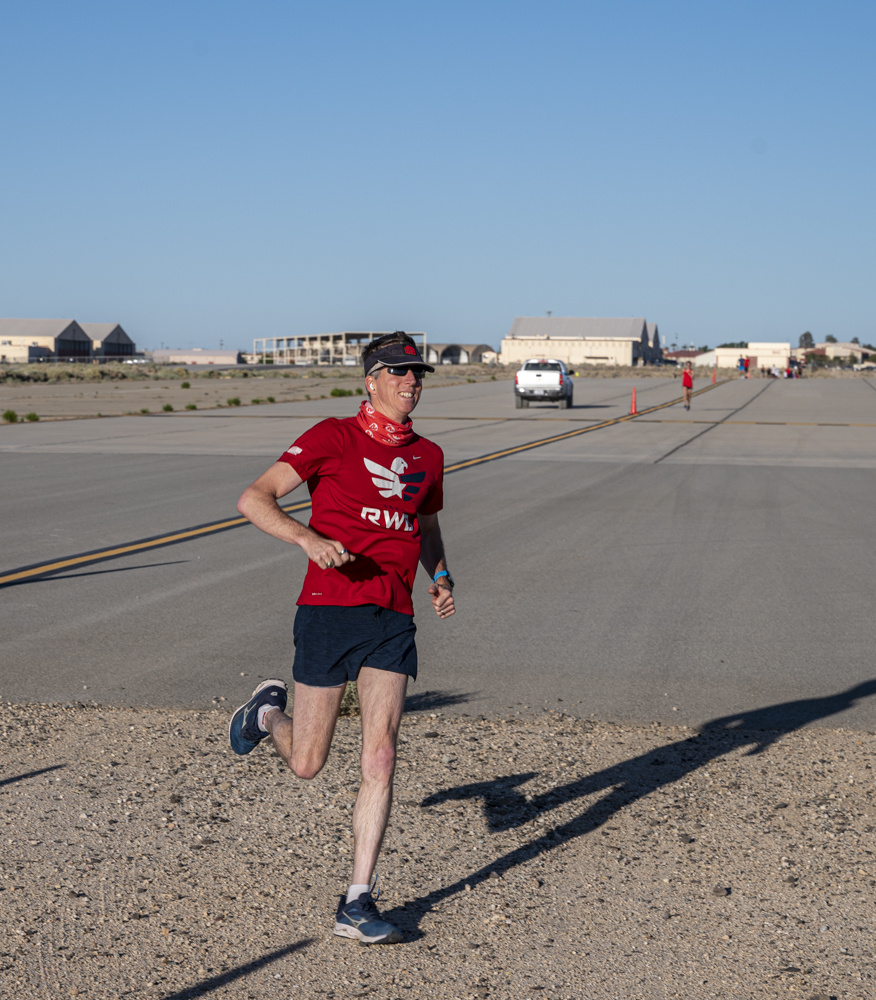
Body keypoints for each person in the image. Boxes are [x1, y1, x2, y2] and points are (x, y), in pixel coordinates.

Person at [230, 331, 455, 945]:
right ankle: (266, 713)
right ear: (371, 379)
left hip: (392, 618)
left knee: (380, 754)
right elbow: (255, 497)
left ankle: (356, 900)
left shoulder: (428, 455)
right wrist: (306, 538)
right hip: (329, 611)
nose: (412, 382)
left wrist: (438, 574)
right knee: (307, 763)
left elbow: (425, 524)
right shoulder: (333, 436)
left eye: (418, 374)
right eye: (400, 372)